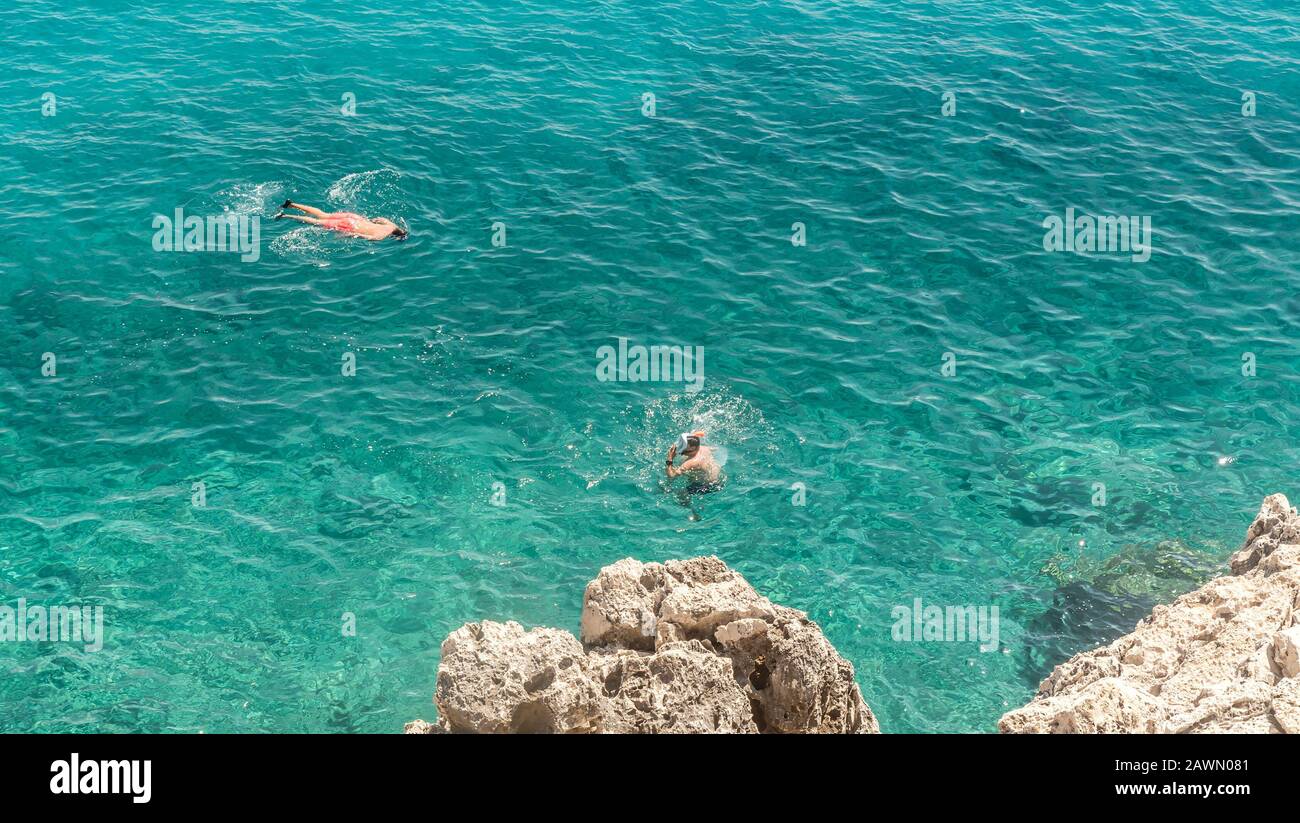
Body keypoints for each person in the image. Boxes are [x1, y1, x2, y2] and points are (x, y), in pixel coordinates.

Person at [274, 200, 408, 241]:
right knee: (318, 222)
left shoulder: (392, 225)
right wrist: (350, 235)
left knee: (322, 214)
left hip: (355, 218)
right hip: (350, 225)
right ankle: (286, 216)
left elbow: (380, 219)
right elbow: (367, 236)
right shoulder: (382, 236)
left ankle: (291, 204)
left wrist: (370, 222)